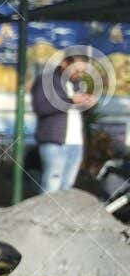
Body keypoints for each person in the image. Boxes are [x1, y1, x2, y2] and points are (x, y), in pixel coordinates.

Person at [31, 52, 98, 193]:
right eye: (76, 70)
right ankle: (45, 214)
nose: (79, 74)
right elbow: (41, 106)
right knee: (52, 185)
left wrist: (89, 104)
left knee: (67, 187)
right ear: (64, 64)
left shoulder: (77, 84)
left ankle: (61, 215)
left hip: (76, 143)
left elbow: (82, 112)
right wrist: (71, 100)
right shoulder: (46, 80)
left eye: (83, 71)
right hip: (55, 142)